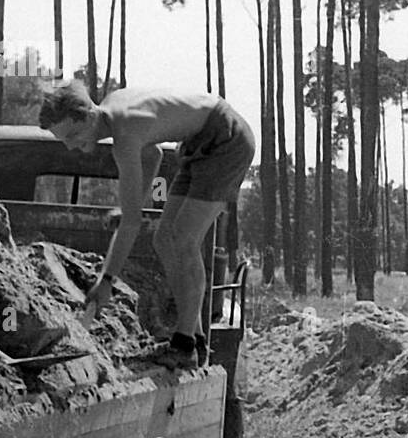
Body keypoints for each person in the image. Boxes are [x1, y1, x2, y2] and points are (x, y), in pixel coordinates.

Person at [38, 80, 255, 369]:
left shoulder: (124, 134)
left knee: (184, 239)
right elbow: (154, 154)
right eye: (63, 140)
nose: (71, 146)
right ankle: (195, 339)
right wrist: (135, 202)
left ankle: (184, 345)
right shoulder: (114, 111)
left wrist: (106, 281)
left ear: (89, 114)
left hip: (226, 139)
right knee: (163, 240)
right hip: (195, 144)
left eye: (74, 135)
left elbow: (131, 224)